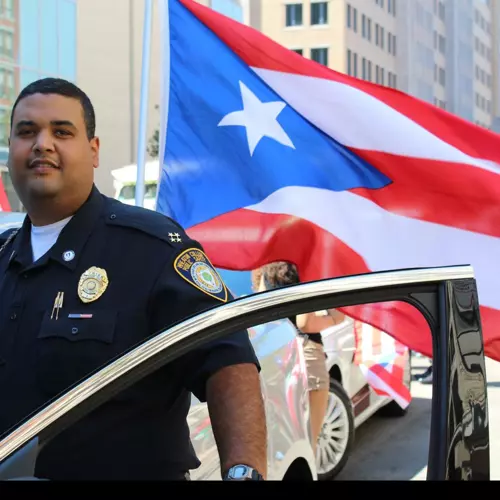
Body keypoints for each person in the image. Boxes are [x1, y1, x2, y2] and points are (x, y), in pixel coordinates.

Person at [0, 78, 267, 481]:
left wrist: (244, 472)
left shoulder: (152, 248)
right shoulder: (3, 258)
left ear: (93, 151)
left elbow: (227, 362)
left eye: (61, 131)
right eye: (26, 132)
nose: (42, 144)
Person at [251, 262, 345, 456]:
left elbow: (262, 315)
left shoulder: (265, 272)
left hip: (275, 358)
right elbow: (305, 323)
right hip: (306, 353)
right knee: (309, 444)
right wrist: (336, 319)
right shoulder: (303, 267)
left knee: (283, 447)